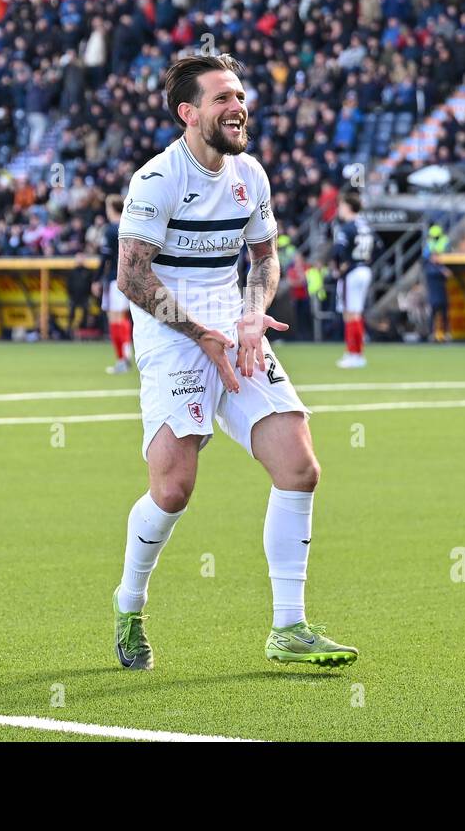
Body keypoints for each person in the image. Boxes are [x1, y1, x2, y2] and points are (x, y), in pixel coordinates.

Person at [111, 53, 357, 670]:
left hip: (234, 326)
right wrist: (200, 334)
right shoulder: (157, 179)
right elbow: (131, 277)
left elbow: (265, 260)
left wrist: (250, 313)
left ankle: (288, 628)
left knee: (299, 468)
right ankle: (129, 603)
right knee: (173, 489)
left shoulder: (251, 174)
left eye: (240, 96)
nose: (237, 107)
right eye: (221, 98)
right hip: (172, 335)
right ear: (188, 113)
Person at [331, 193, 377, 368]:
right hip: (364, 269)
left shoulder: (347, 228)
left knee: (350, 313)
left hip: (352, 272)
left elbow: (338, 250)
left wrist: (340, 266)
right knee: (356, 312)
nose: (339, 210)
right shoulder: (367, 226)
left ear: (348, 207)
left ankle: (354, 353)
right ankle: (356, 353)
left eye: (341, 206)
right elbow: (378, 247)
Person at [98, 194, 133, 373]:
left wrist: (97, 279)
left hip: (113, 279)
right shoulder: (129, 226)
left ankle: (121, 359)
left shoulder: (110, 230)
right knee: (123, 317)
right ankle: (126, 354)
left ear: (111, 208)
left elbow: (104, 258)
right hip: (128, 278)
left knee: (114, 318)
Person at [423, 250, 451, 342]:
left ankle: (446, 334)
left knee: (444, 315)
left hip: (442, 294)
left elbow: (448, 274)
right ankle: (432, 334)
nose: (437, 258)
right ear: (431, 258)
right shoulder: (429, 267)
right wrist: (442, 271)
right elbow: (434, 273)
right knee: (433, 315)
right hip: (433, 295)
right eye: (435, 256)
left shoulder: (440, 266)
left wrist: (443, 271)